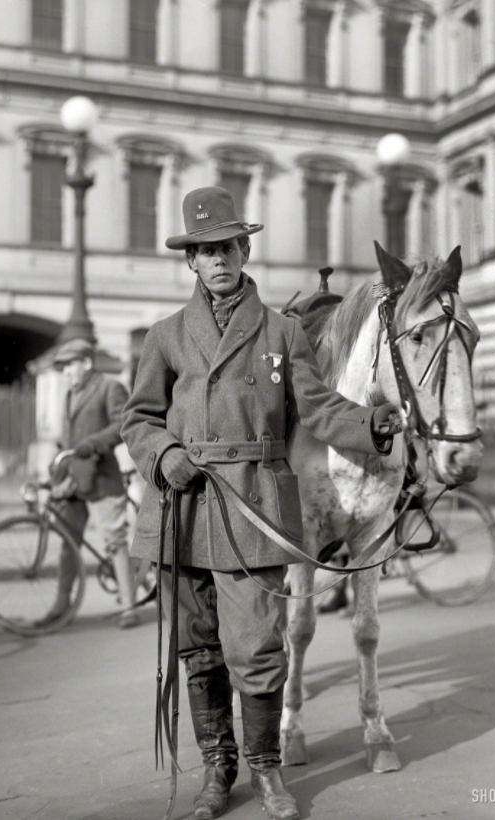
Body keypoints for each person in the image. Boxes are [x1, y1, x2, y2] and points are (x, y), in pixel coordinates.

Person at [121, 187, 401, 820]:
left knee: (258, 646)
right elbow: (138, 417)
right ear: (190, 262)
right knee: (199, 648)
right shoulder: (165, 337)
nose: (217, 259)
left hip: (254, 505)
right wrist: (164, 455)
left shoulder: (282, 331)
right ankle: (218, 772)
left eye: (227, 246)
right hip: (185, 507)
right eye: (204, 250)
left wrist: (372, 425)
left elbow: (319, 406)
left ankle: (268, 772)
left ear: (244, 250)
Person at [45, 338, 144, 630]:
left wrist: (93, 443)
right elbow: (67, 440)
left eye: (70, 366)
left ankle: (129, 606)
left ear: (87, 363)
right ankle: (61, 605)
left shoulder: (109, 388)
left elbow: (122, 425)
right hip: (74, 480)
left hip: (102, 477)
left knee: (114, 543)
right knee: (67, 543)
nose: (66, 373)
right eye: (62, 368)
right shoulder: (69, 395)